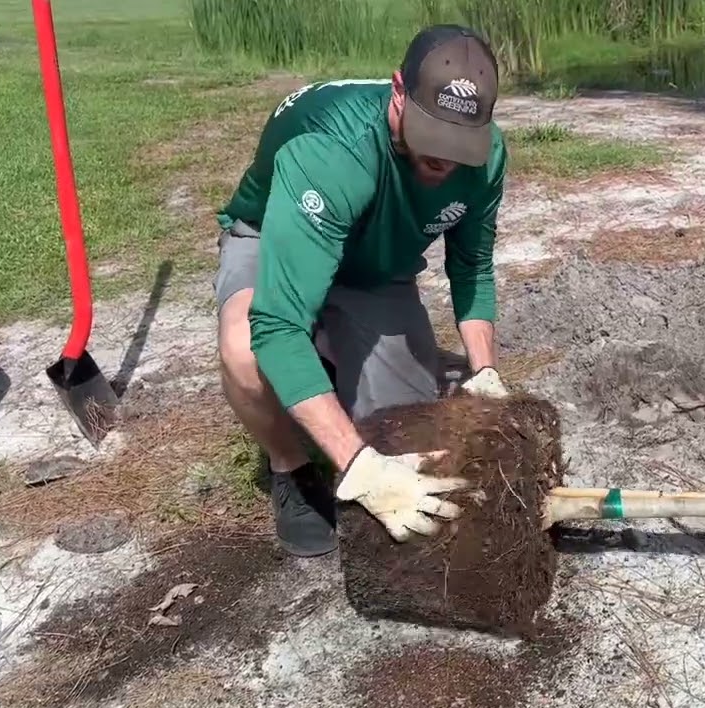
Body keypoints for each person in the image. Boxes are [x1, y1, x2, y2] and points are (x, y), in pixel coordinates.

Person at [211, 24, 510, 558]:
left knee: (408, 434)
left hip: (373, 258)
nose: (445, 161)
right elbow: (278, 324)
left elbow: (473, 267)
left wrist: (484, 372)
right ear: (398, 91)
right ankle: (291, 469)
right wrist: (360, 468)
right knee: (247, 350)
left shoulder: (485, 160)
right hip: (278, 232)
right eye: (433, 138)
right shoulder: (332, 152)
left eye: (459, 146)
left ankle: (329, 367)